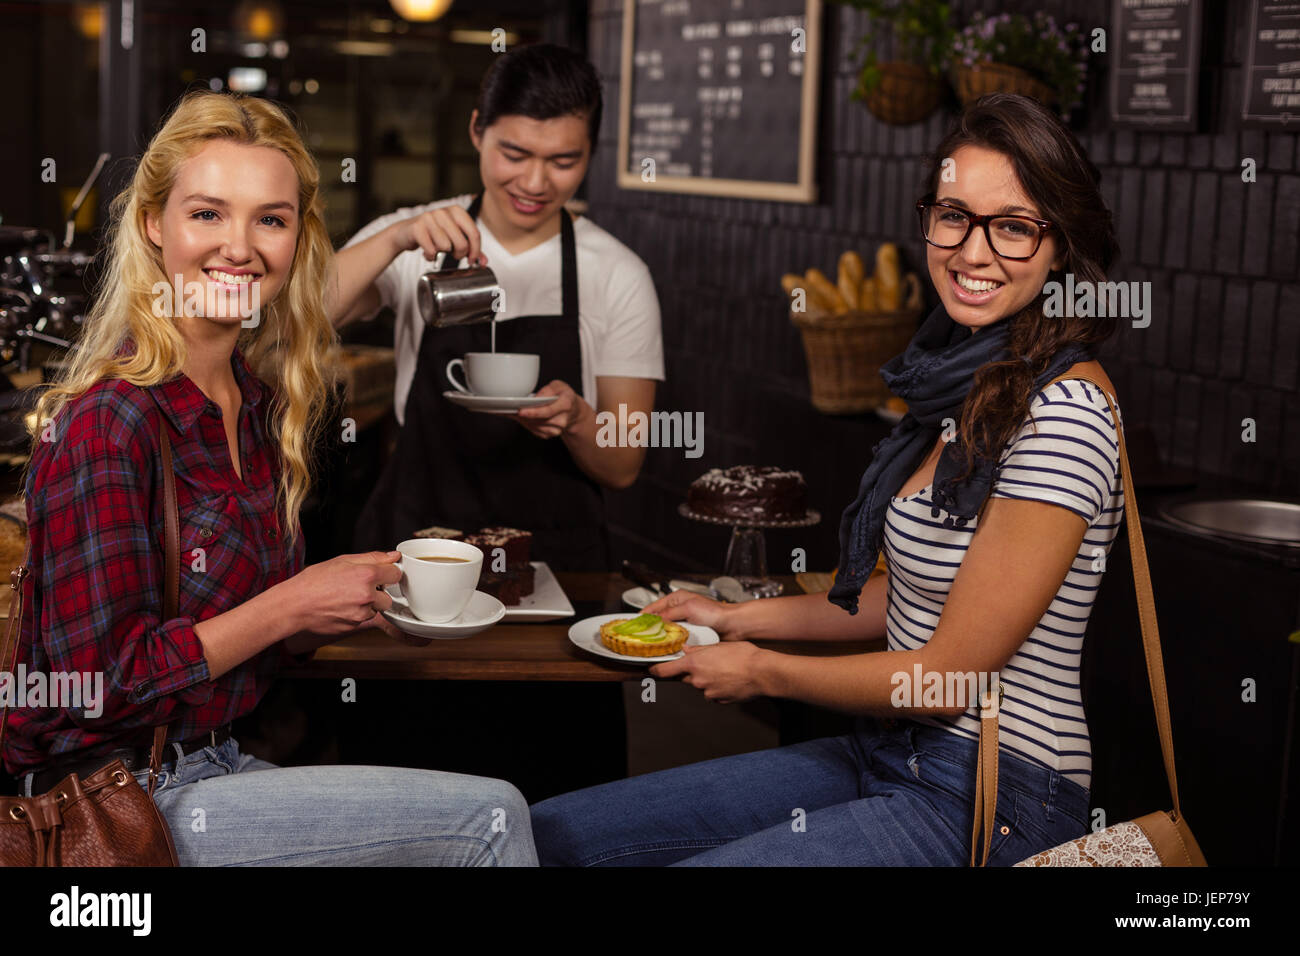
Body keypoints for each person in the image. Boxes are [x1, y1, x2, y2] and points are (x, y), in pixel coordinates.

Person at [530, 93, 1124, 866]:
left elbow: (951, 677)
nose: (972, 252)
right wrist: (734, 618)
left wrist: (765, 673)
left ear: (1061, 248)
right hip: (887, 752)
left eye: (1012, 227)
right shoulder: (964, 386)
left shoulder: (1065, 412)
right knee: (550, 835)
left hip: (993, 788)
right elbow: (909, 599)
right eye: (953, 215)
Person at [1, 90, 536, 866]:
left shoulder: (250, 401)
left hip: (217, 763)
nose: (240, 246)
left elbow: (228, 631)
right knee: (491, 817)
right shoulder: (109, 420)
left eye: (271, 219)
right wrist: (291, 603)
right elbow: (99, 685)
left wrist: (328, 612)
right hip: (128, 800)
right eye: (208, 214)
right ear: (155, 225)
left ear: (297, 237)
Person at [331, 43, 664, 570]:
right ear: (476, 132)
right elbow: (302, 315)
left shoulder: (618, 274)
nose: (534, 183)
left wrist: (577, 420)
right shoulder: (417, 236)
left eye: (563, 161)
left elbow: (623, 463)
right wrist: (394, 239)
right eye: (514, 154)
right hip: (416, 545)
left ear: (591, 153)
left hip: (554, 562)